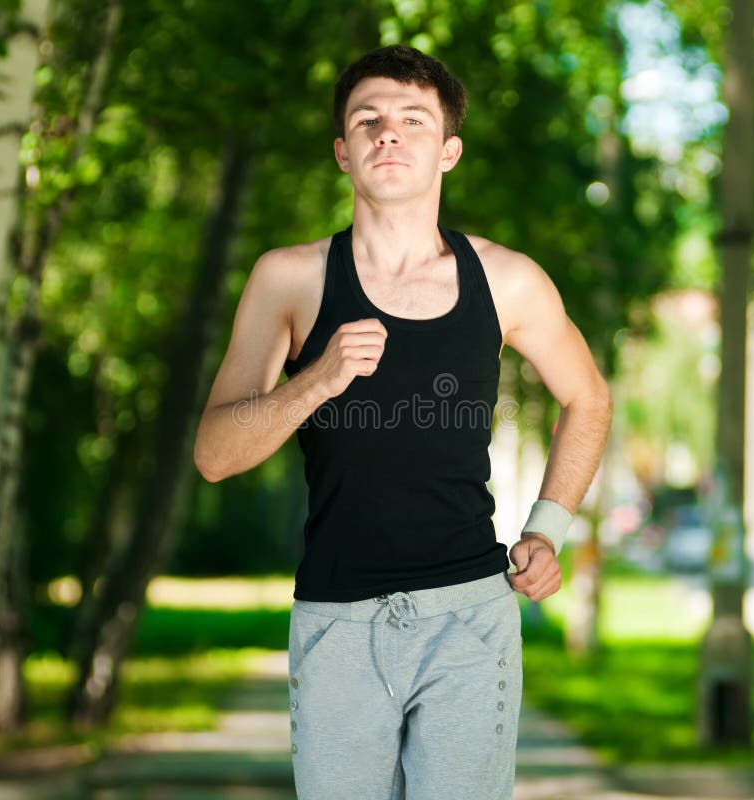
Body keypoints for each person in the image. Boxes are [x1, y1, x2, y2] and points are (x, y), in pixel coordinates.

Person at [193, 44, 612, 800]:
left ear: (448, 150)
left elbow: (589, 398)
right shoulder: (288, 279)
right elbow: (215, 455)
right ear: (342, 153)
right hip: (336, 620)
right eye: (369, 119)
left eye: (413, 119)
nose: (389, 133)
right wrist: (315, 380)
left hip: (470, 616)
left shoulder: (508, 280)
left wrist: (547, 528)